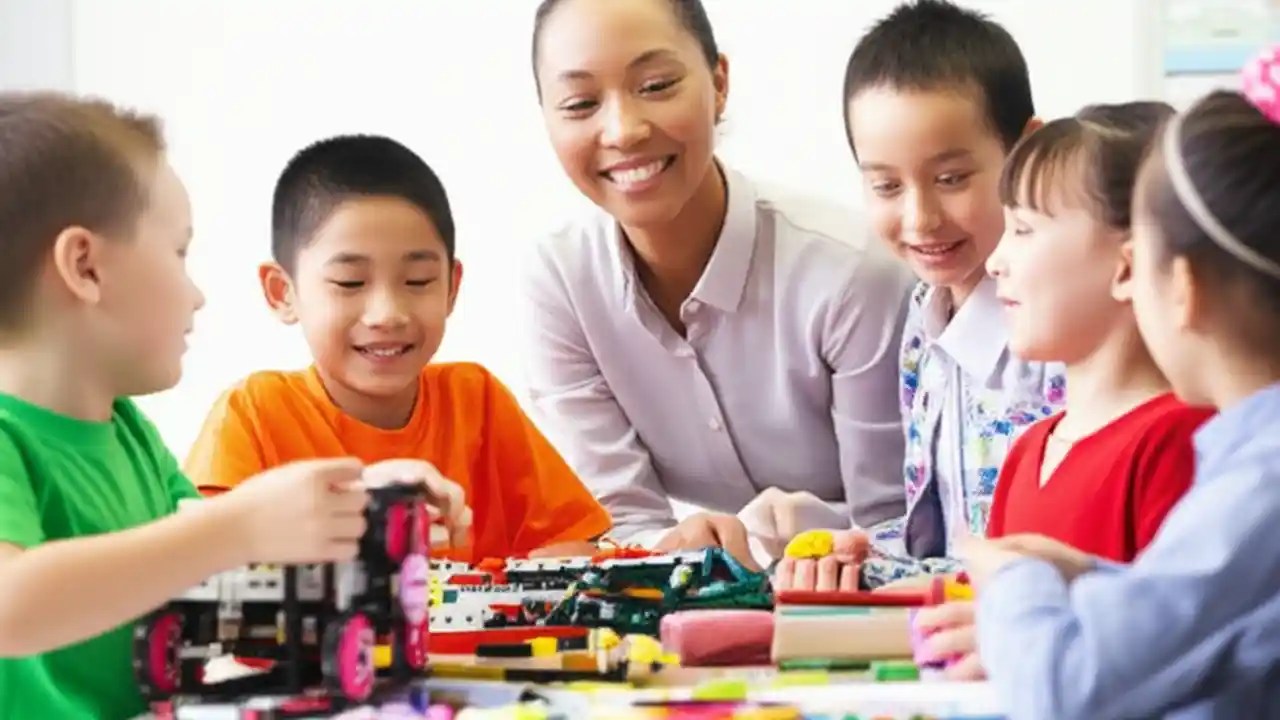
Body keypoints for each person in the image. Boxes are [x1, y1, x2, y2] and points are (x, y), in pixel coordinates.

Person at [0, 93, 411, 720]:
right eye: (178, 251)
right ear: (85, 266)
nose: (197, 295)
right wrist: (234, 526)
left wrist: (363, 501)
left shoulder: (129, 433)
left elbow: (209, 574)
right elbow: (11, 606)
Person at [520, 0, 914, 563]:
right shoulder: (561, 283)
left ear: (719, 83)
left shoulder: (850, 273)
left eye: (655, 85)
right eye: (581, 103)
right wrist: (684, 553)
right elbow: (622, 520)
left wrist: (769, 542)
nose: (623, 130)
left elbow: (898, 523)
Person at [958, 65, 1280, 718]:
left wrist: (1021, 582)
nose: (996, 259)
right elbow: (1208, 617)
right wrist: (1085, 577)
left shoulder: (1260, 473)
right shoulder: (1248, 455)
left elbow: (1067, 688)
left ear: (1179, 286)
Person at [184, 134, 611, 562]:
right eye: (350, 283)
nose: (386, 314)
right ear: (283, 292)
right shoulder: (254, 413)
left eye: (418, 281)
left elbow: (574, 545)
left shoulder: (477, 400)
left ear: (451, 287)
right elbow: (198, 566)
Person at [913, 101, 1213, 679]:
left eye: (1023, 230)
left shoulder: (1180, 441)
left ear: (1129, 267)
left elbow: (1174, 659)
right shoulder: (1028, 451)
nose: (996, 262)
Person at [773, 0, 1065, 592]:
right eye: (886, 185)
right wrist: (853, 549)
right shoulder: (920, 319)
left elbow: (1066, 548)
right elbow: (937, 540)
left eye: (952, 179)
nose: (921, 218)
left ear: (1025, 153)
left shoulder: (1059, 327)